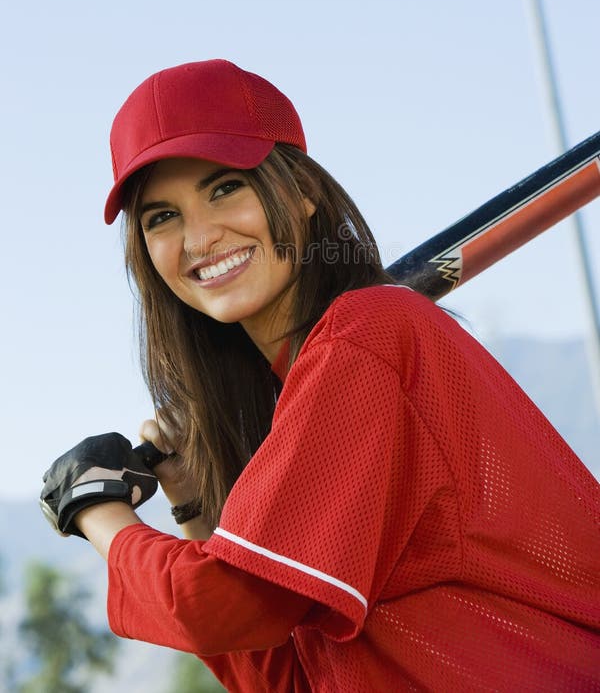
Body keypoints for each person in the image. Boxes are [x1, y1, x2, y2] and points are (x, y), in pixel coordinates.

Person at [41, 59, 600, 692]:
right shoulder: (309, 384)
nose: (199, 237)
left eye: (226, 187)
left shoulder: (368, 337)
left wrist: (97, 508)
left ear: (302, 192)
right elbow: (285, 675)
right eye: (161, 217)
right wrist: (195, 505)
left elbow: (218, 605)